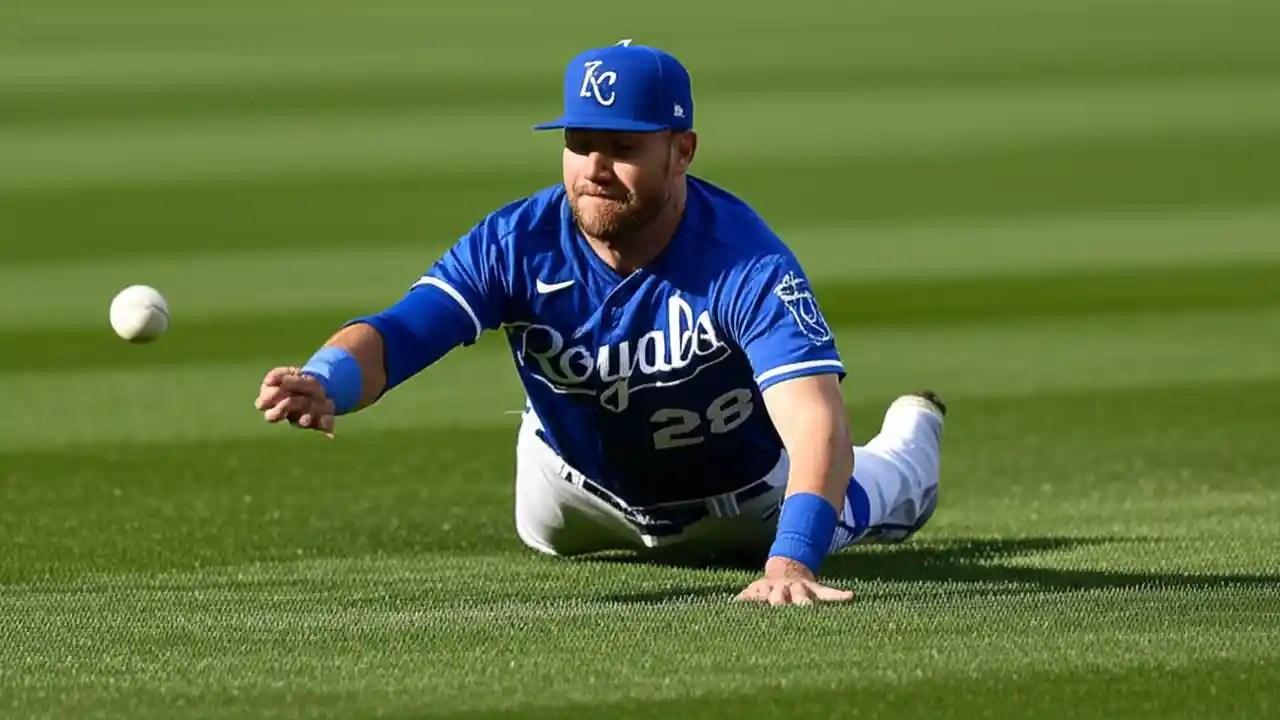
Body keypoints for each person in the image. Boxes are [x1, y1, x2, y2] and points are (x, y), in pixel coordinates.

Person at [252, 40, 946, 606]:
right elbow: (402, 333)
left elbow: (817, 422)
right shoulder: (516, 241)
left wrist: (791, 560)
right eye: (580, 142)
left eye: (622, 147)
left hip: (738, 507)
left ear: (682, 151)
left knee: (844, 497)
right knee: (543, 524)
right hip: (568, 497)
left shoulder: (746, 261)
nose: (595, 169)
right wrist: (326, 378)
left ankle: (911, 450)